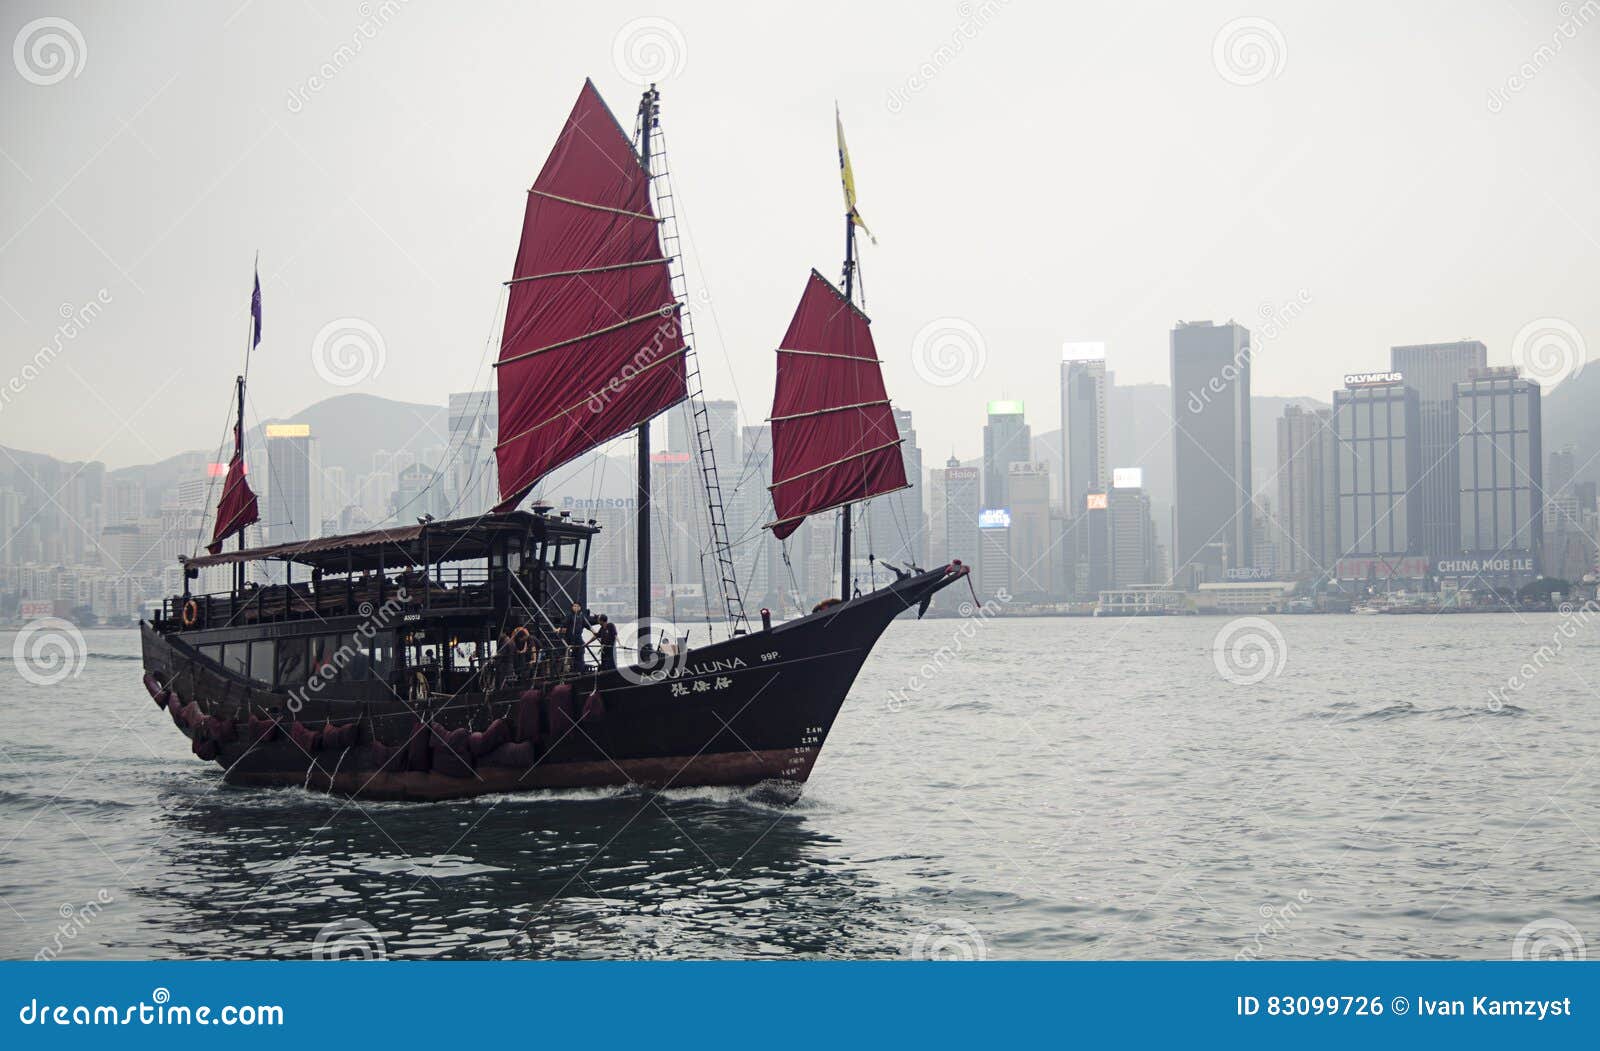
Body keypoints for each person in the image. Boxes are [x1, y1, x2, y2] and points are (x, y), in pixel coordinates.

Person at [564, 602, 592, 674]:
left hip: (578, 637)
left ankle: (580, 669)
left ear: (580, 608)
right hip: (571, 637)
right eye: (574, 606)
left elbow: (587, 625)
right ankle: (574, 668)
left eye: (577, 606)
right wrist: (560, 628)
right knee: (574, 652)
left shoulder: (581, 616)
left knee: (580, 650)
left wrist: (593, 631)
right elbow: (565, 623)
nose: (575, 608)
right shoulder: (570, 615)